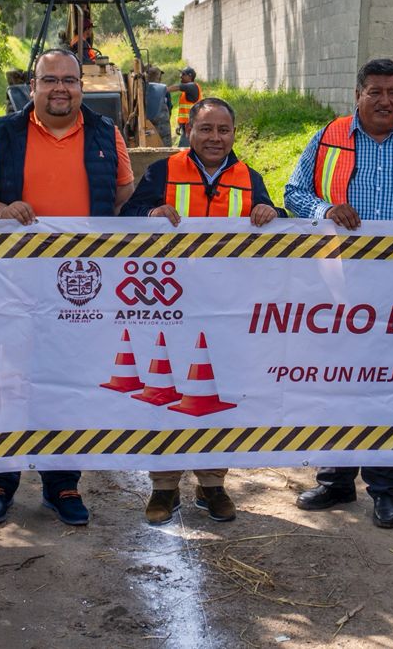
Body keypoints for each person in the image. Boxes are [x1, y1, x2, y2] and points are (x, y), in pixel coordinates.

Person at [0, 49, 135, 527]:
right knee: (8, 380)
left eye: (70, 81)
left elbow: (125, 194)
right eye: (49, 80)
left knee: (71, 379)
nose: (60, 89)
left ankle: (63, 484)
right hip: (14, 279)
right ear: (32, 86)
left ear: (83, 86)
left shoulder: (107, 133)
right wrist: (1, 211)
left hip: (82, 283)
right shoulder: (3, 132)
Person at [283, 57, 393, 530]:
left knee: (388, 381)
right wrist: (324, 208)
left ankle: (385, 488)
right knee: (337, 377)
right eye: (375, 92)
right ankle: (336, 478)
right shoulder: (328, 137)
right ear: (357, 95)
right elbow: (293, 192)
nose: (384, 101)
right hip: (336, 282)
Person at [122, 96, 285, 525]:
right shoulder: (162, 171)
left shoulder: (250, 178)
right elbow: (128, 215)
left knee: (219, 393)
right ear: (189, 132)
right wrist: (151, 212)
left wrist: (272, 211)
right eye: (206, 129)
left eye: (223, 130)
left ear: (233, 134)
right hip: (171, 307)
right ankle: (164, 487)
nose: (215, 138)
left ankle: (212, 483)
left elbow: (278, 222)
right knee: (166, 391)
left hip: (228, 308)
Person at [173, 68, 202, 146]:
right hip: (186, 125)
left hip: (191, 125)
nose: (180, 76)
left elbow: (177, 87)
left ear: (190, 76)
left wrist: (162, 89)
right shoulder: (186, 92)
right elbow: (184, 111)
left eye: (183, 74)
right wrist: (179, 125)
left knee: (183, 150)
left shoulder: (192, 86)